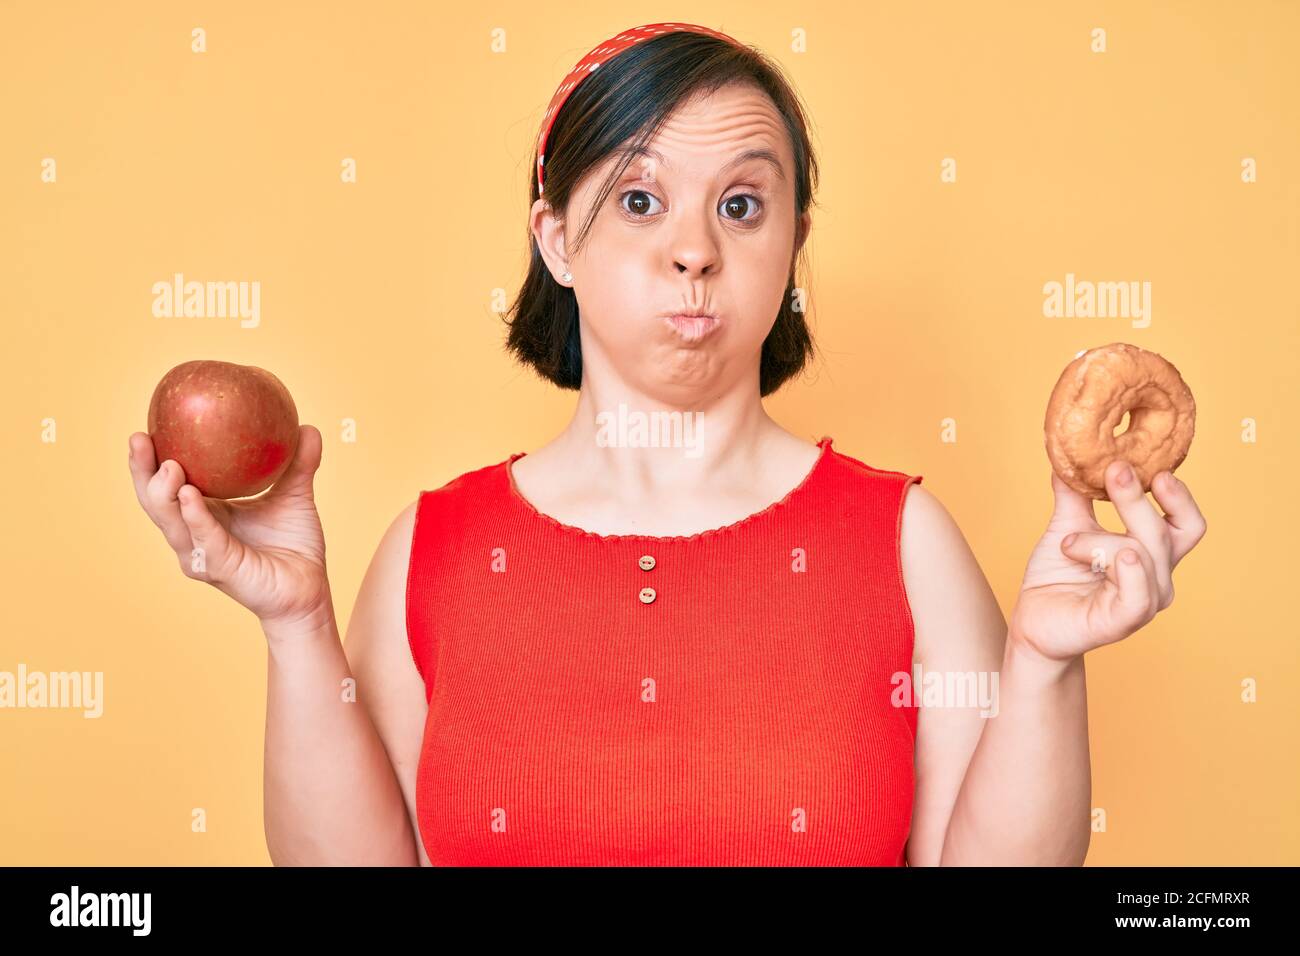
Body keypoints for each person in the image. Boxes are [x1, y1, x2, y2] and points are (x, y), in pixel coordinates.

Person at [127, 23, 1206, 866]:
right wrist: (294, 624)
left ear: (792, 247)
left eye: (741, 204)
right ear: (554, 237)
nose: (693, 250)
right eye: (639, 199)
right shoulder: (434, 548)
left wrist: (1046, 665)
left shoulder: (906, 540)